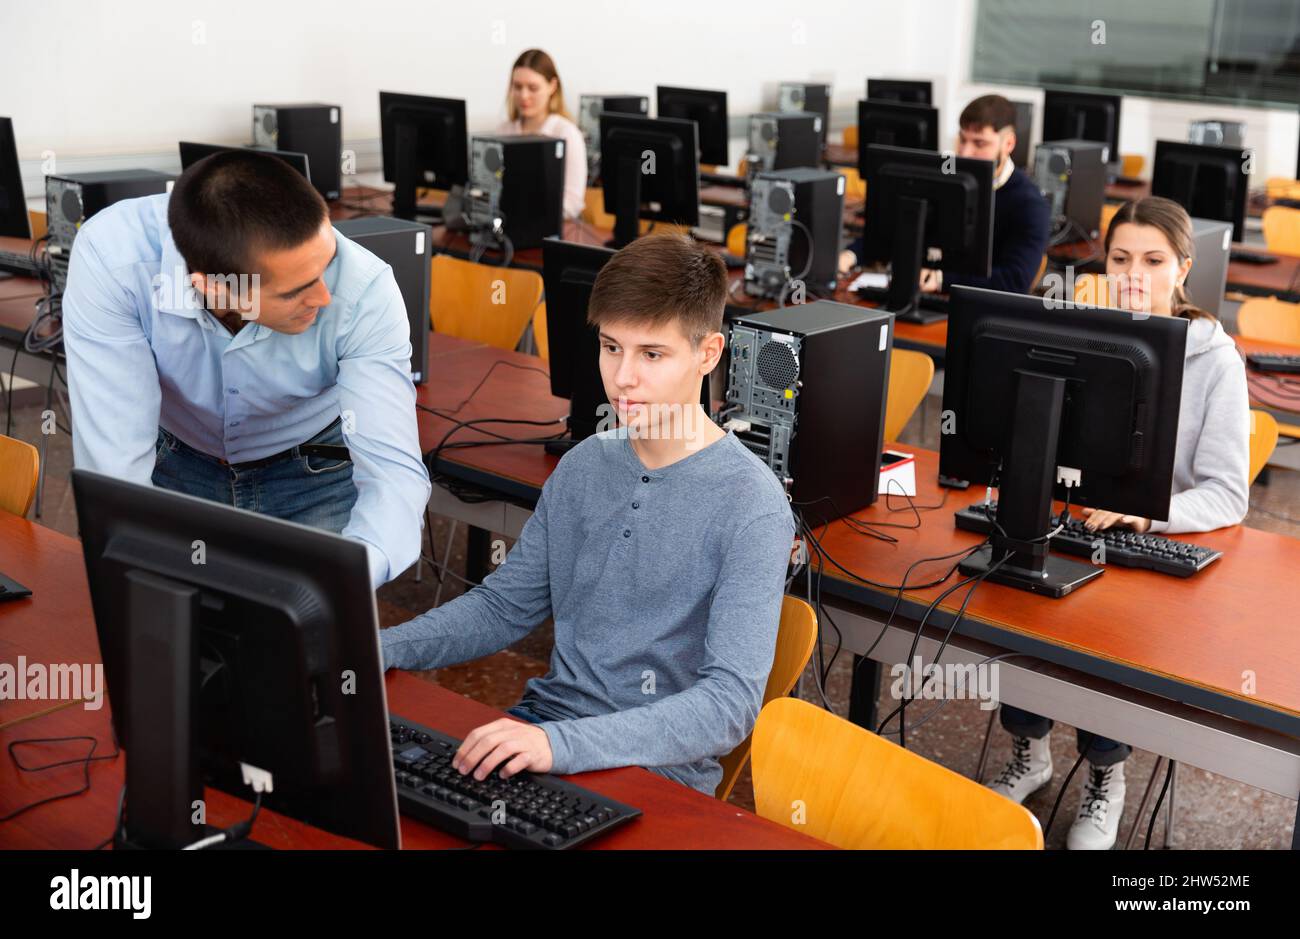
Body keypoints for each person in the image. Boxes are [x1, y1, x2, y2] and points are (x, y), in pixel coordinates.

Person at [380, 233, 796, 797]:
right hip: (543, 734)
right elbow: (503, 608)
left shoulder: (752, 504)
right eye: (611, 347)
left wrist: (560, 747)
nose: (623, 377)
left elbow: (727, 706)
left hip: (653, 773)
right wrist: (379, 647)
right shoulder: (585, 465)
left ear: (708, 353)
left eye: (652, 354)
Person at [986, 196, 1250, 850]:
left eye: (1154, 260)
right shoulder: (1082, 331)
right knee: (1022, 592)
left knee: (1110, 625)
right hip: (1077, 522)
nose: (1136, 273)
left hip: (1158, 551)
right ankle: (1031, 749)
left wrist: (1150, 512)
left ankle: (1107, 774)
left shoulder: (1216, 359)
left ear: (1183, 266)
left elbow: (1228, 495)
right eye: (1122, 258)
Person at [62, 149, 431, 589]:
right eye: (296, 290)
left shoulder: (365, 288)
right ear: (217, 290)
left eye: (326, 265)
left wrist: (343, 582)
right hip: (178, 462)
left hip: (312, 472)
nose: (324, 297)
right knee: (172, 637)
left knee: (313, 648)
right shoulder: (115, 259)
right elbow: (114, 471)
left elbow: (393, 474)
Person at [840, 94, 1049, 294]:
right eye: (962, 140)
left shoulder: (1029, 204)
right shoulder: (946, 176)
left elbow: (1015, 281)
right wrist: (851, 255)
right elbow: (895, 230)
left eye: (979, 143)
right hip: (924, 293)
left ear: (1008, 144)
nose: (965, 153)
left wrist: (941, 279)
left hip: (975, 307)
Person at [493, 48, 587, 220]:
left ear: (552, 86)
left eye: (533, 88)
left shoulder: (567, 134)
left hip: (548, 229)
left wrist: (528, 212)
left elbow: (572, 203)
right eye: (517, 86)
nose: (524, 95)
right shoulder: (503, 131)